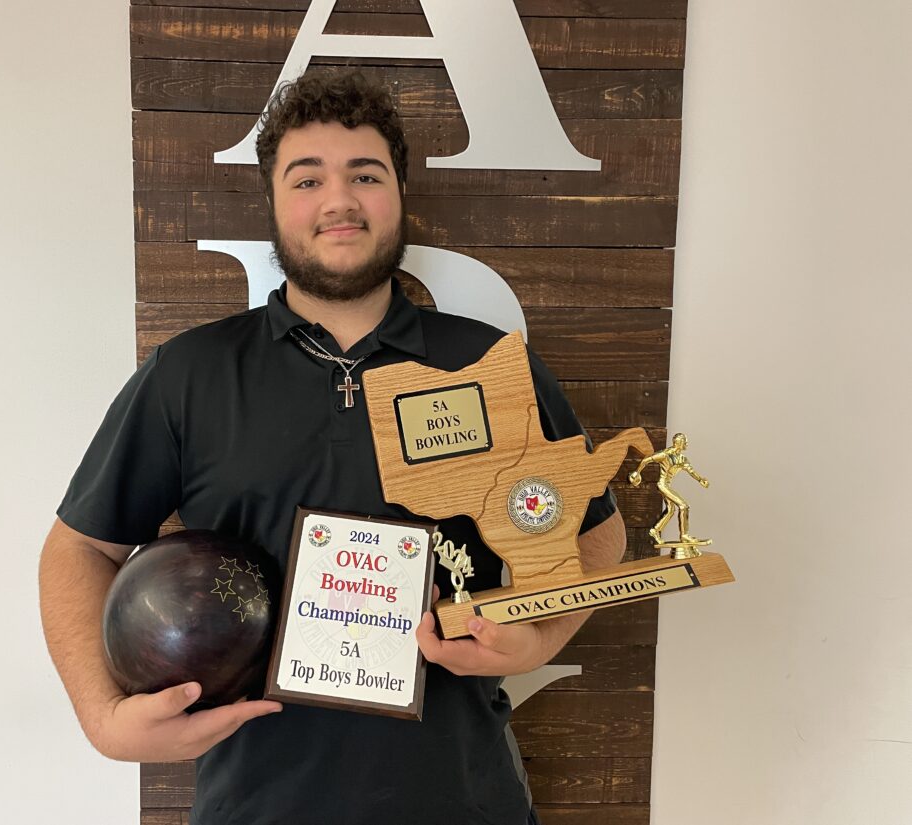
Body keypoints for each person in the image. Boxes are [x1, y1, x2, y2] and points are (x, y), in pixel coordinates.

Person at [39, 70, 626, 825]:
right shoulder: (190, 373)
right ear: (274, 201)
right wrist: (102, 717)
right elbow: (80, 547)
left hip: (465, 803)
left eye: (365, 175)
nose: (339, 200)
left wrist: (539, 636)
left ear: (400, 194)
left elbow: (596, 532)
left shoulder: (488, 363)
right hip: (255, 808)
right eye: (307, 178)